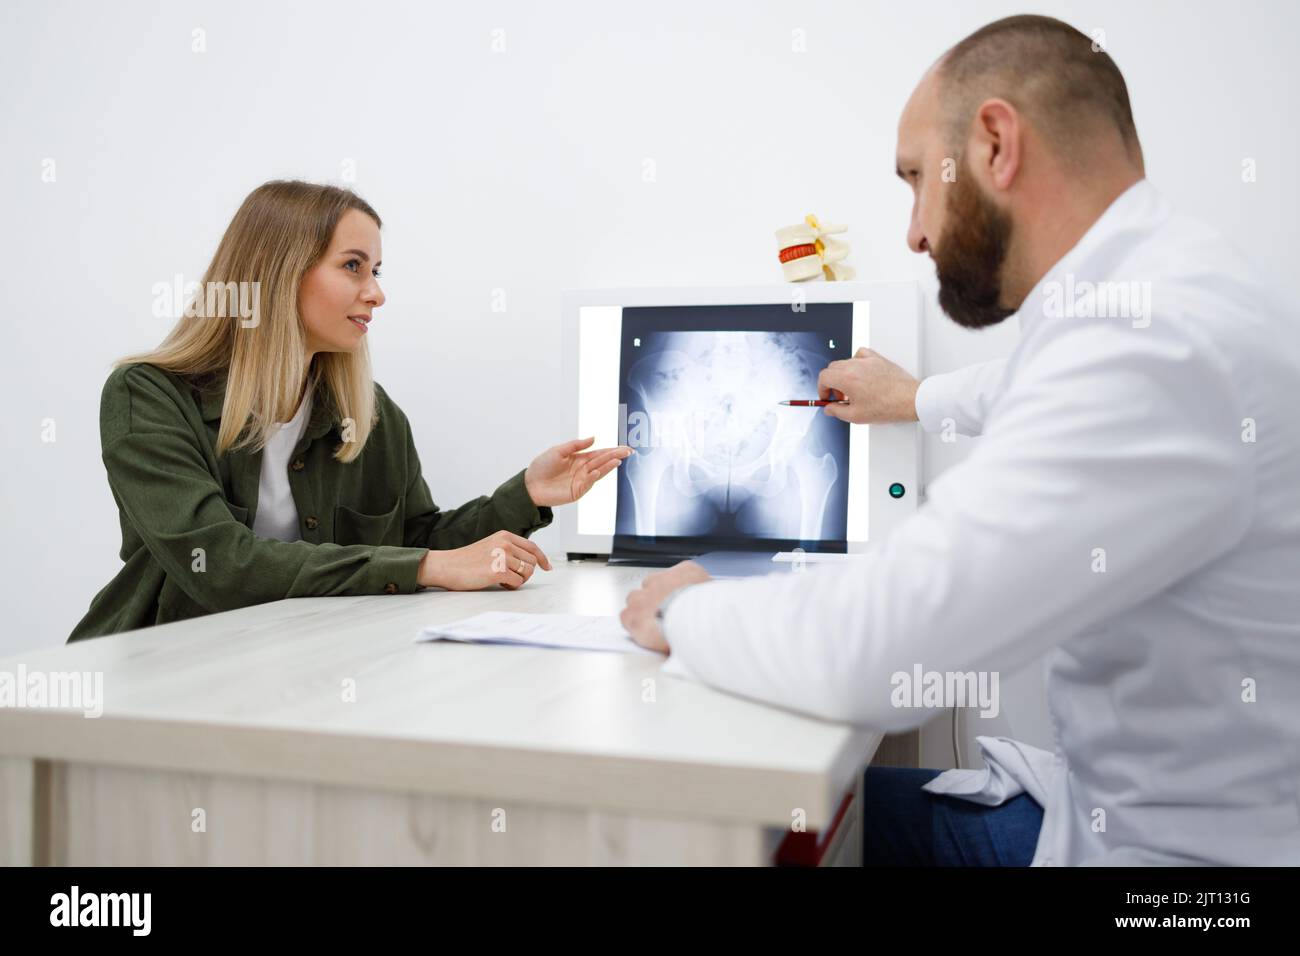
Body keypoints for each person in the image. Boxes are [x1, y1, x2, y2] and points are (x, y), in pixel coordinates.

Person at [620, 15, 1300, 865]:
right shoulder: (1165, 289)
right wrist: (914, 396)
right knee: (811, 809)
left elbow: (878, 648)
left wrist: (685, 610)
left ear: (994, 145)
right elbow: (1025, 388)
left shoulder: (1153, 340)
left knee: (737, 828)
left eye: (915, 180)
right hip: (1111, 811)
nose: (913, 231)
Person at [70, 180, 629, 642]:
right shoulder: (146, 396)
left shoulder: (371, 413)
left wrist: (526, 494)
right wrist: (426, 568)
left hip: (304, 663)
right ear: (276, 271)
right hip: (162, 671)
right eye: (353, 266)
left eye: (376, 271)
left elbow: (418, 539)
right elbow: (218, 562)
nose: (376, 293)